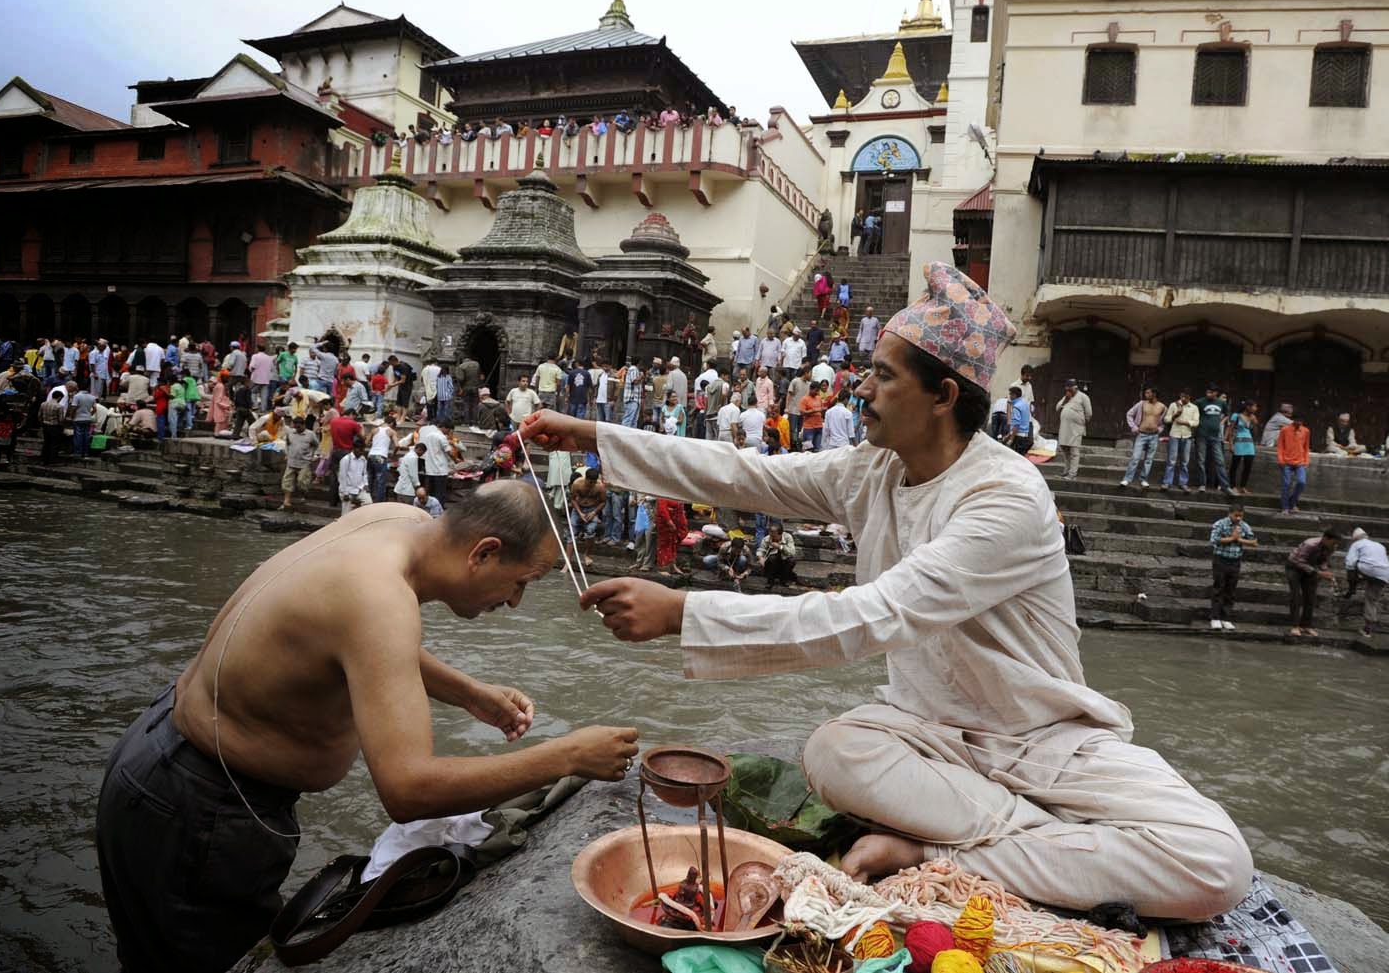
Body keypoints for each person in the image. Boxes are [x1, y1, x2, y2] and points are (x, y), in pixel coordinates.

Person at [521, 260, 1253, 920]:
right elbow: (746, 473)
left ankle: (944, 854)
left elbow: (878, 613)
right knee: (834, 750)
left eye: (883, 375)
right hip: (926, 736)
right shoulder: (874, 469)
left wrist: (685, 610)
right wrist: (594, 435)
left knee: (1217, 863)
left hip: (1045, 741)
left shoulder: (1006, 496)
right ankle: (1050, 842)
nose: (860, 388)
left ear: (942, 395)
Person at [96, 484, 639, 973]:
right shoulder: (381, 601)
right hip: (199, 806)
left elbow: (351, 636)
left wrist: (467, 693)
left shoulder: (391, 521)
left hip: (160, 756)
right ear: (484, 552)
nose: (516, 602)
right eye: (522, 583)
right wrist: (567, 756)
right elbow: (408, 789)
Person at [1209, 504, 1257, 631]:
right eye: (1236, 515)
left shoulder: (1244, 526)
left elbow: (1254, 542)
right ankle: (1215, 617)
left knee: (1231, 589)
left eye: (1241, 516)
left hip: (1235, 561)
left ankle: (1226, 618)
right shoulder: (1220, 524)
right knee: (1219, 587)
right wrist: (1232, 538)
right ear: (1229, 513)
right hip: (1220, 559)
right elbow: (1214, 540)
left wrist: (1239, 539)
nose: (1238, 518)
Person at [1286, 529, 1341, 637]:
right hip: (1294, 567)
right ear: (1325, 538)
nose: (1335, 545)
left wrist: (1326, 572)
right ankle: (1295, 626)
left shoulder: (1331, 547)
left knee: (1311, 598)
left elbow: (1323, 561)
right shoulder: (1310, 544)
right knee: (1296, 596)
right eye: (1334, 542)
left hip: (1311, 569)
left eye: (1337, 543)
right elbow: (1299, 562)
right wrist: (1319, 573)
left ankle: (1306, 626)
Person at [1340, 528, 1387, 636]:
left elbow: (1350, 563)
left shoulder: (1357, 544)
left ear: (1355, 539)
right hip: (1384, 574)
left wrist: (1351, 584)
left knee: (1352, 565)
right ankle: (1368, 629)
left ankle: (1352, 589)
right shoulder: (1380, 545)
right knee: (1371, 600)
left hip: (1368, 570)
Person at [1120, 387, 1166, 488]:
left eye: (1148, 393)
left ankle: (1143, 479)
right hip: (1142, 434)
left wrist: (1160, 429)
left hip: (1154, 435)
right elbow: (1129, 414)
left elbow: (1164, 422)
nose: (1146, 395)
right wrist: (1134, 427)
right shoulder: (1141, 404)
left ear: (1154, 394)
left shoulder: (1162, 407)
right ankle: (1127, 479)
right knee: (1135, 457)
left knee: (1149, 459)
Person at [1192, 385, 1230, 493]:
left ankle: (1225, 486)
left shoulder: (1221, 403)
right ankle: (1202, 484)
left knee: (1220, 461)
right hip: (1201, 435)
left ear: (1216, 393)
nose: (1208, 394)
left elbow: (1227, 414)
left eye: (1211, 392)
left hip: (1215, 436)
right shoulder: (1199, 402)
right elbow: (1192, 412)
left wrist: (1221, 422)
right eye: (1207, 392)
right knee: (1201, 460)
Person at [1159, 389, 1199, 492]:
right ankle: (1167, 482)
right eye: (1181, 396)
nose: (1183, 399)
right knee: (1171, 460)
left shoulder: (1194, 407)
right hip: (1174, 435)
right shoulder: (1174, 405)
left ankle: (1183, 483)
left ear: (1190, 397)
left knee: (1185, 461)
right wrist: (1175, 415)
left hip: (1187, 436)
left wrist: (1184, 422)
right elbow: (1166, 419)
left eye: (1185, 397)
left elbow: (1196, 422)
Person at [279, 416, 319, 511]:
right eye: (295, 427)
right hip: (292, 461)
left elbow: (316, 445)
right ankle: (286, 500)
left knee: (302, 481)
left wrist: (313, 455)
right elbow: (287, 443)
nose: (297, 429)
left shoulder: (310, 434)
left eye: (299, 427)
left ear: (303, 425)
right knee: (286, 482)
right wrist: (287, 454)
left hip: (304, 461)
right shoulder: (290, 433)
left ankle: (304, 494)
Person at [1054, 378, 1091, 479]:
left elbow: (1089, 413)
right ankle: (1066, 471)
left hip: (1076, 429)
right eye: (1067, 389)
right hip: (1065, 429)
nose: (1069, 391)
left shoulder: (1083, 397)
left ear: (1075, 388)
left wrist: (1080, 421)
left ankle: (1072, 474)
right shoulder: (1066, 397)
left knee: (1074, 452)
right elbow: (1057, 408)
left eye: (1070, 389)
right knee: (1065, 451)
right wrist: (1066, 399)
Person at [1277, 414, 1311, 515]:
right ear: (1294, 419)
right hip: (1286, 461)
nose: (1299, 423)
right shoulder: (1285, 430)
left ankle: (1292, 501)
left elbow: (1306, 447)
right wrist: (1280, 459)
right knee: (1286, 484)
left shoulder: (1306, 431)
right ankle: (1285, 507)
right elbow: (1280, 446)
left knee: (1302, 482)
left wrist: (1306, 460)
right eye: (1297, 420)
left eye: (1301, 421)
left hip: (1300, 461)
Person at [1225, 401, 1259, 495]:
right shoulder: (1236, 416)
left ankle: (1243, 486)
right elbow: (1231, 430)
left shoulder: (1252, 417)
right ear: (1247, 407)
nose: (1256, 409)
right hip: (1239, 443)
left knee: (1248, 466)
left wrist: (1255, 423)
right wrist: (1231, 444)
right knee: (1235, 466)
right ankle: (1233, 486)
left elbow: (1255, 432)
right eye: (1254, 406)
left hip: (1249, 444)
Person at [568, 468, 607, 539]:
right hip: (579, 508)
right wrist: (580, 513)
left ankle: (588, 550)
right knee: (572, 532)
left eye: (594, 482)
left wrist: (594, 512)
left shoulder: (600, 486)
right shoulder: (577, 483)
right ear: (586, 478)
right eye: (590, 482)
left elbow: (603, 502)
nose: (592, 485)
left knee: (590, 532)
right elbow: (573, 499)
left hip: (592, 508)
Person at [654, 495, 688, 574]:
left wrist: (683, 523)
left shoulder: (677, 494)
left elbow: (681, 509)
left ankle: (672, 565)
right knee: (664, 544)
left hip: (677, 521)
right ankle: (662, 568)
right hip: (665, 523)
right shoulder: (663, 494)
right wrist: (669, 522)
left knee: (673, 544)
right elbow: (662, 509)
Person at [758, 522, 798, 588]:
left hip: (784, 561)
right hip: (771, 563)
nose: (771, 537)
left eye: (774, 536)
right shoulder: (767, 539)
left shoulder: (788, 537)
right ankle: (770, 581)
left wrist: (780, 547)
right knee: (772, 558)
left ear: (780, 534)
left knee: (792, 560)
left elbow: (792, 552)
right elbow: (761, 550)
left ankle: (784, 579)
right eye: (770, 534)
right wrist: (760, 558)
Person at [337, 440, 372, 515]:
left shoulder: (363, 460)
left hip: (359, 488)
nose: (361, 452)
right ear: (354, 448)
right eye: (360, 449)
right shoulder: (346, 459)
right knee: (346, 514)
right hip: (348, 489)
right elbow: (342, 477)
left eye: (363, 450)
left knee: (369, 503)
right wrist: (345, 493)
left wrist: (366, 484)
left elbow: (365, 473)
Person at [67, 381, 97, 458]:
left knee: (78, 436)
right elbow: (95, 409)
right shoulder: (92, 397)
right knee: (86, 436)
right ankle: (86, 452)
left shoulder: (77, 396)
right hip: (87, 418)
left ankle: (78, 452)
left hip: (78, 418)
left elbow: (73, 408)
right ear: (88, 387)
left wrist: (71, 416)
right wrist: (90, 414)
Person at [798, 382, 828, 452]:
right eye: (816, 391)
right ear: (811, 389)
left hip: (819, 426)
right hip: (809, 428)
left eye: (818, 391)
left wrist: (823, 410)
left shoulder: (819, 398)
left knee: (817, 449)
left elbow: (821, 409)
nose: (817, 393)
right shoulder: (804, 399)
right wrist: (813, 411)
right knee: (807, 450)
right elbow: (802, 412)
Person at [1005, 384, 1033, 455]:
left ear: (1014, 395)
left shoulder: (1016, 407)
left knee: (1014, 459)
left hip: (1018, 438)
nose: (1009, 396)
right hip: (1025, 436)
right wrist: (1008, 435)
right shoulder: (1025, 404)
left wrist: (1011, 439)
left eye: (1010, 394)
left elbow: (1016, 425)